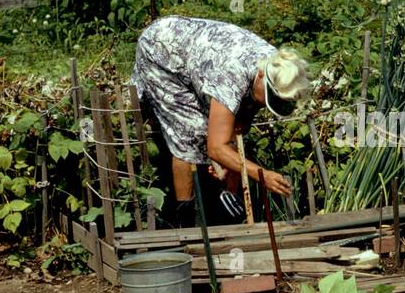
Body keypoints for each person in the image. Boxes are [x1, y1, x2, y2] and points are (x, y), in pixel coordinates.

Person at [131, 14, 312, 227]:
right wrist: (262, 175)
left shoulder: (278, 65)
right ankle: (187, 221)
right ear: (262, 77)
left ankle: (225, 199)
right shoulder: (232, 76)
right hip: (162, 52)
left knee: (233, 128)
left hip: (199, 54)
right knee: (191, 133)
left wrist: (229, 163)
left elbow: (240, 123)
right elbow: (215, 148)